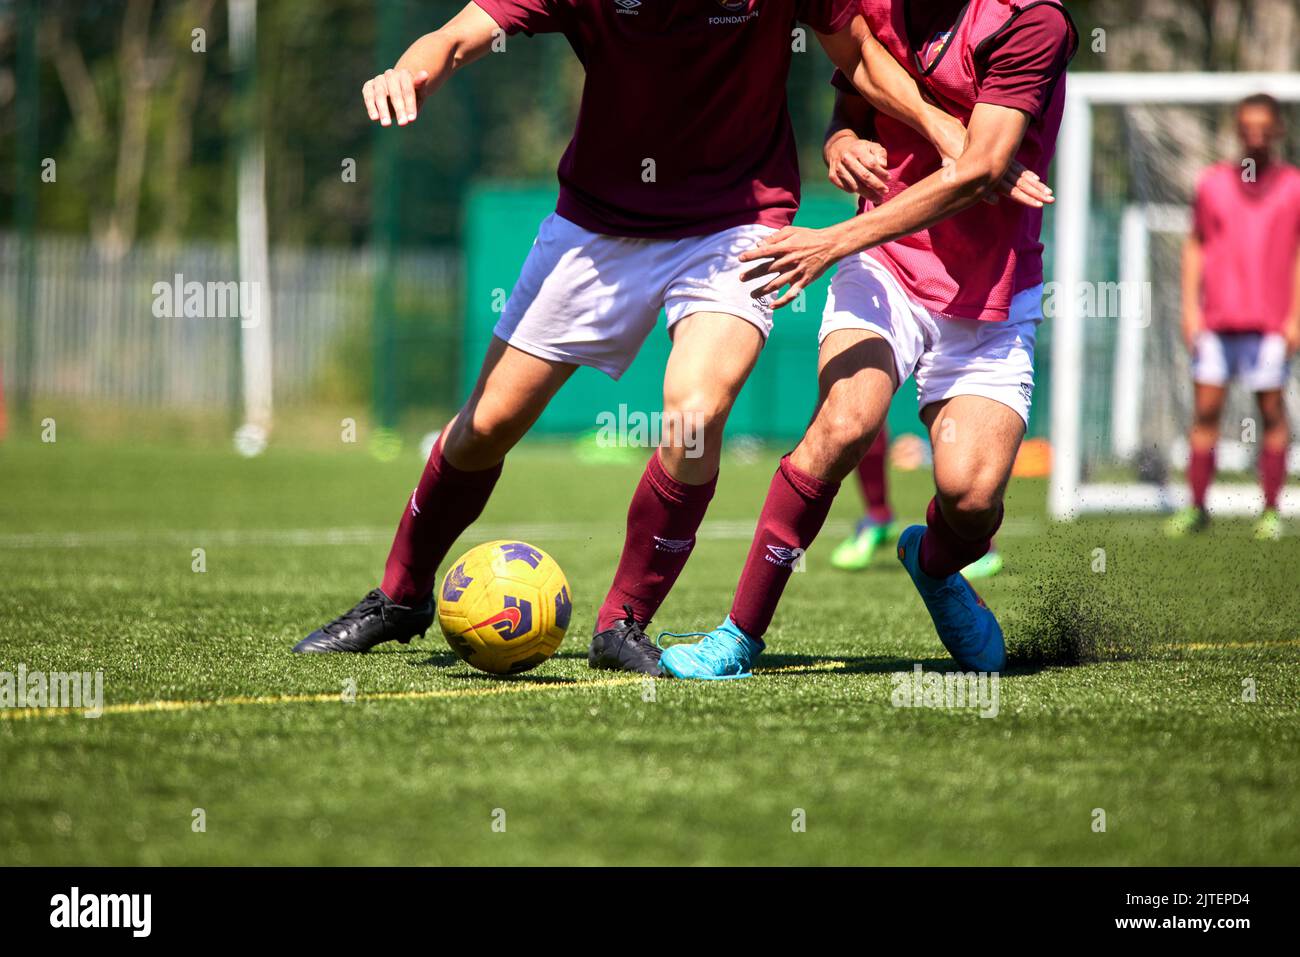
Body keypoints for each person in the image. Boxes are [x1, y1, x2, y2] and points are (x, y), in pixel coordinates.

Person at [293, 0, 1048, 671]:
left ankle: (623, 621)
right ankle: (399, 597)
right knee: (483, 426)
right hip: (596, 223)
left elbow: (856, 57)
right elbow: (462, 33)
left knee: (694, 412)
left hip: (736, 221)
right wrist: (411, 70)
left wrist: (953, 137)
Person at [659, 0, 1075, 680]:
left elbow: (978, 170)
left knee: (971, 503)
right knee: (843, 424)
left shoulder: (1031, 21)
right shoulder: (875, 6)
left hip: (991, 294)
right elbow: (850, 102)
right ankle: (737, 636)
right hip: (888, 265)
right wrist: (841, 145)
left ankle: (934, 565)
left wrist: (833, 240)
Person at [1166, 93, 1300, 541]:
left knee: (1271, 412)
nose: (1256, 135)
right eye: (1248, 126)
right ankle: (1197, 506)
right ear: (1238, 129)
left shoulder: (1293, 186)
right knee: (1206, 411)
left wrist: (1296, 316)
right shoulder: (1212, 183)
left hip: (1270, 323)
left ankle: (1269, 509)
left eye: (1264, 127)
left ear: (1277, 130)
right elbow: (1196, 243)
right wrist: (1189, 309)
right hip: (1217, 321)